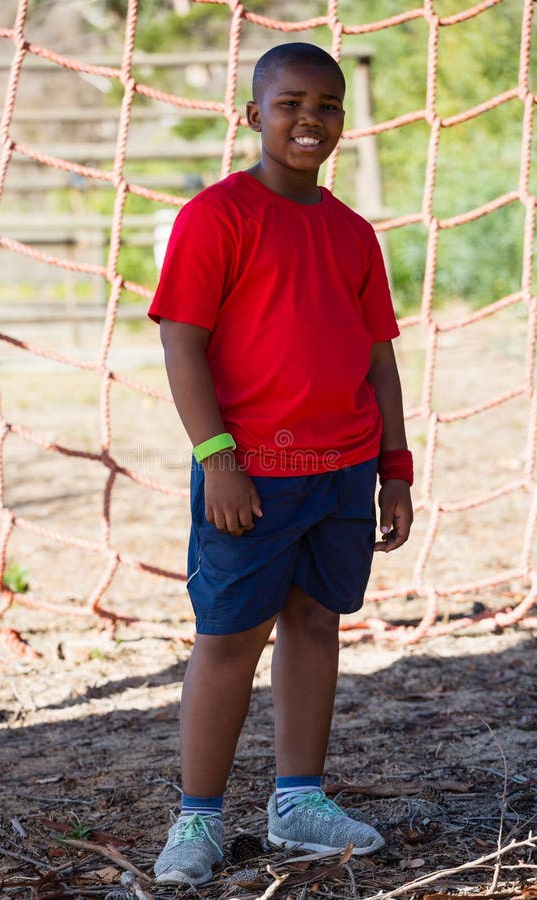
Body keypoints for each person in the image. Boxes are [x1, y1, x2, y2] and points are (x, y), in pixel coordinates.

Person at [147, 42, 413, 886]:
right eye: (292, 102)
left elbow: (379, 357)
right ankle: (199, 819)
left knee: (314, 623)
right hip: (249, 474)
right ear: (254, 114)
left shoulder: (352, 233)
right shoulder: (216, 216)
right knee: (228, 639)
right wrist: (217, 457)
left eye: (328, 105)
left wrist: (395, 466)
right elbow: (181, 342)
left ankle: (299, 799)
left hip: (342, 470)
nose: (311, 119)